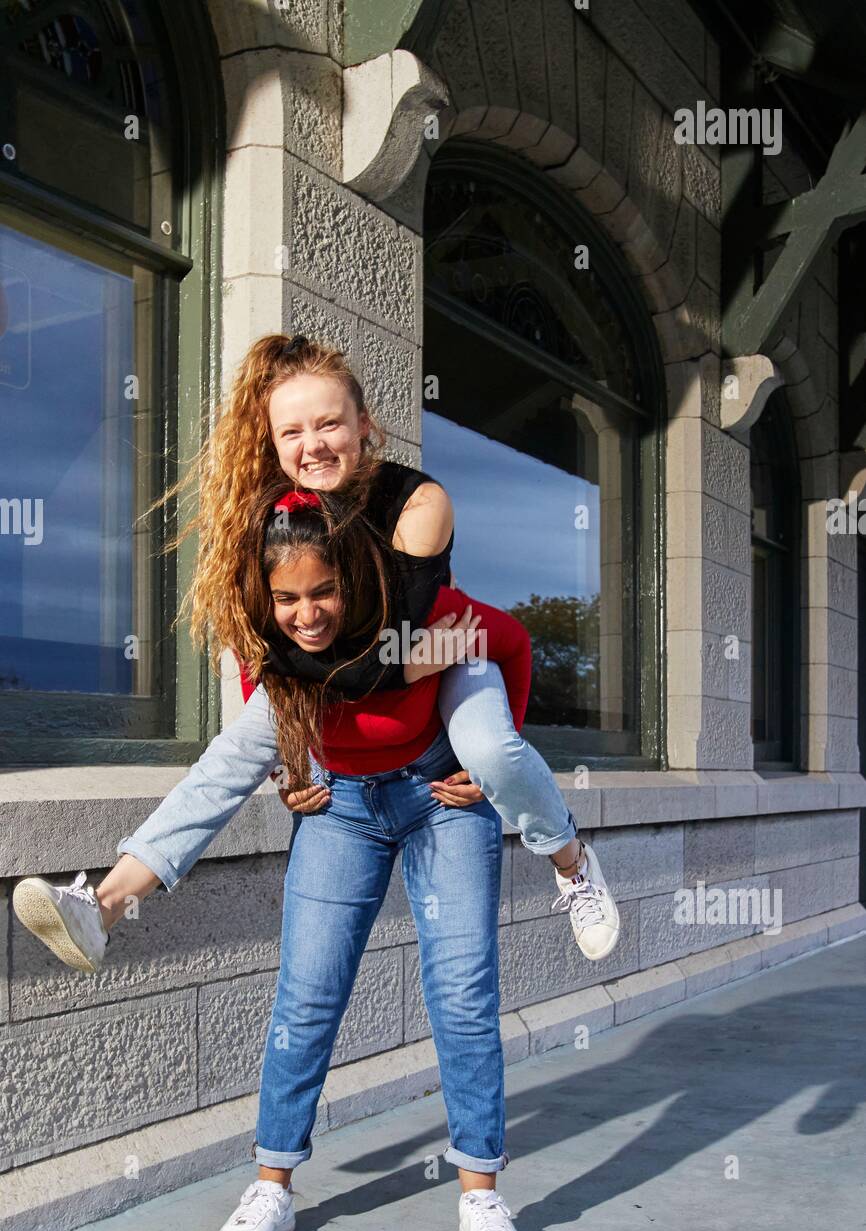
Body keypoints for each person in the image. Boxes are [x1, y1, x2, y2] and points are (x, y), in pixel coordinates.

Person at [13, 487, 544, 1231]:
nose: (307, 613)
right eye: (288, 598)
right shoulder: (270, 647)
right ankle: (270, 1183)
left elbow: (512, 644)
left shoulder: (423, 613)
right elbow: (261, 746)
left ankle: (480, 1197)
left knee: (462, 993)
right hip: (345, 808)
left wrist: (493, 755)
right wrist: (296, 773)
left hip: (441, 798)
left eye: (323, 592)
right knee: (305, 995)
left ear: (356, 581)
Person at [182, 331, 619, 955]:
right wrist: (290, 755)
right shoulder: (281, 531)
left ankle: (573, 864)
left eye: (329, 423)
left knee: (490, 749)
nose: (312, 445)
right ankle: (111, 897)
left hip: (443, 694)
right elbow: (262, 652)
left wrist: (494, 763)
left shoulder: (416, 527)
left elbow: (510, 642)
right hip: (351, 780)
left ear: (365, 427)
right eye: (291, 433)